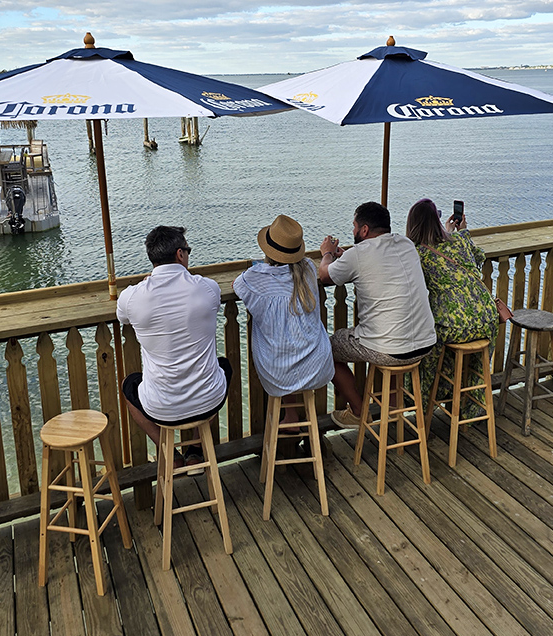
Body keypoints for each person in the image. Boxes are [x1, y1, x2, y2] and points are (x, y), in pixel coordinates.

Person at [117, 225, 232, 472]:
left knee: (129, 386)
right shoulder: (207, 288)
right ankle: (196, 450)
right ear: (180, 254)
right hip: (208, 402)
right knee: (222, 366)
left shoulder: (132, 297)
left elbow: (123, 317)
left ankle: (169, 452)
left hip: (160, 408)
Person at [319, 201, 437, 429]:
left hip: (390, 350)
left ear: (364, 230)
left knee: (326, 349)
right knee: (390, 332)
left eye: (354, 227)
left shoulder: (359, 254)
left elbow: (324, 275)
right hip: (425, 343)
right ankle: (393, 410)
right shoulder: (406, 244)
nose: (353, 231)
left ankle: (357, 412)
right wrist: (347, 258)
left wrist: (327, 253)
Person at [233, 215, 334, 428]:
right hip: (318, 366)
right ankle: (297, 418)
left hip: (277, 374)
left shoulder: (253, 278)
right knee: (294, 343)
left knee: (281, 349)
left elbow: (237, 284)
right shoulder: (307, 268)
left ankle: (291, 417)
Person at [405, 198, 498, 413]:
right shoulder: (459, 240)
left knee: (426, 343)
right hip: (488, 319)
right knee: (457, 347)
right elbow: (479, 258)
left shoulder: (418, 253)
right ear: (437, 221)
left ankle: (423, 400)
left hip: (456, 327)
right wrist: (458, 232)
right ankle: (470, 404)